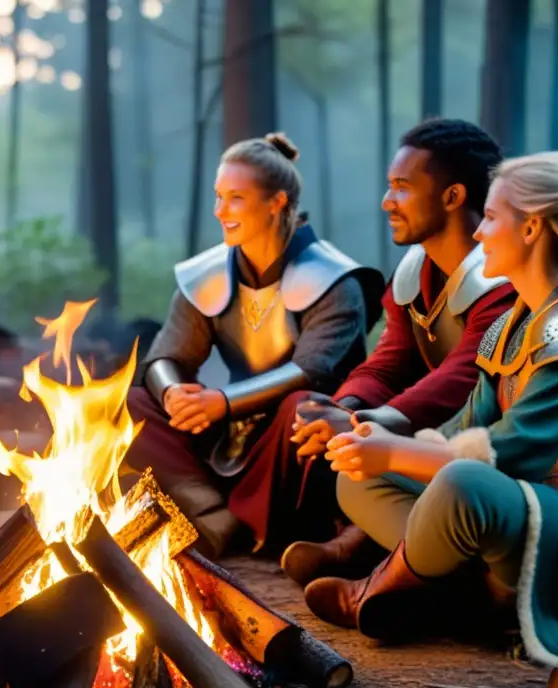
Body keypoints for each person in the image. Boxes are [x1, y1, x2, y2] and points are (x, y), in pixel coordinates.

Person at [302, 151, 558, 666]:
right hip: (513, 521)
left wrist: (396, 453)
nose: (478, 233)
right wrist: (379, 444)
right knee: (358, 478)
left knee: (463, 485)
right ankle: (464, 594)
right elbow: (464, 428)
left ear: (531, 229)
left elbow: (515, 454)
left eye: (489, 217)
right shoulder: (512, 326)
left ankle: (379, 589)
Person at [124, 132, 384, 558]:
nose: (219, 211)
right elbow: (165, 357)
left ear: (277, 202)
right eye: (218, 197)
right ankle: (209, 514)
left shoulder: (336, 282)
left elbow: (313, 370)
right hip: (231, 432)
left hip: (296, 445)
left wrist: (222, 402)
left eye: (235, 199)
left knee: (304, 406)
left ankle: (267, 529)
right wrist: (172, 392)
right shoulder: (207, 274)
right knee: (136, 402)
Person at [280, 118, 516, 587]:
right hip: (437, 445)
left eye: (402, 188)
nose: (388, 201)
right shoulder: (416, 272)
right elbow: (390, 360)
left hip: (496, 459)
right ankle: (384, 556)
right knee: (348, 460)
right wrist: (344, 407)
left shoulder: (502, 279)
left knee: (365, 463)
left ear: (453, 197)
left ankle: (430, 581)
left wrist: (371, 423)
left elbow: (463, 375)